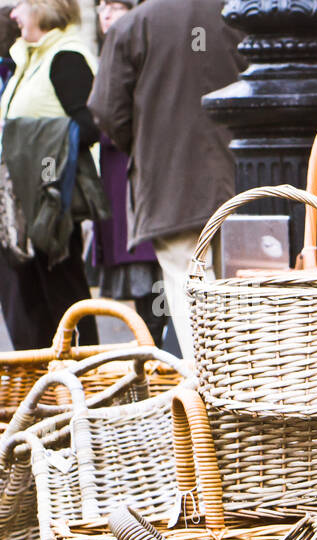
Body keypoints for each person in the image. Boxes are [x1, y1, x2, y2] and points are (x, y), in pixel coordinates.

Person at [88, 0, 243, 360]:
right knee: (248, 292)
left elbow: (108, 110)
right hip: (246, 181)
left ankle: (207, 404)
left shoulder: (134, 26)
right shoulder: (241, 12)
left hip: (173, 186)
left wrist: (148, 148)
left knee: (191, 297)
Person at [0, 0, 99, 350]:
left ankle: (87, 387)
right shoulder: (29, 58)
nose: (13, 15)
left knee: (64, 305)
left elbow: (89, 126)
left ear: (43, 8)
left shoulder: (65, 57)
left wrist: (30, 141)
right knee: (27, 309)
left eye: (21, 5)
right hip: (19, 211)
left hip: (50, 207)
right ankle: (41, 395)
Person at [86, 0, 166, 343]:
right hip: (122, 178)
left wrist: (133, 141)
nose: (106, 12)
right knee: (144, 283)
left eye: (115, 5)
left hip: (143, 173)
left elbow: (111, 114)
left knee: (158, 275)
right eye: (101, 5)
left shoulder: (140, 40)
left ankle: (158, 356)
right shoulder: (108, 50)